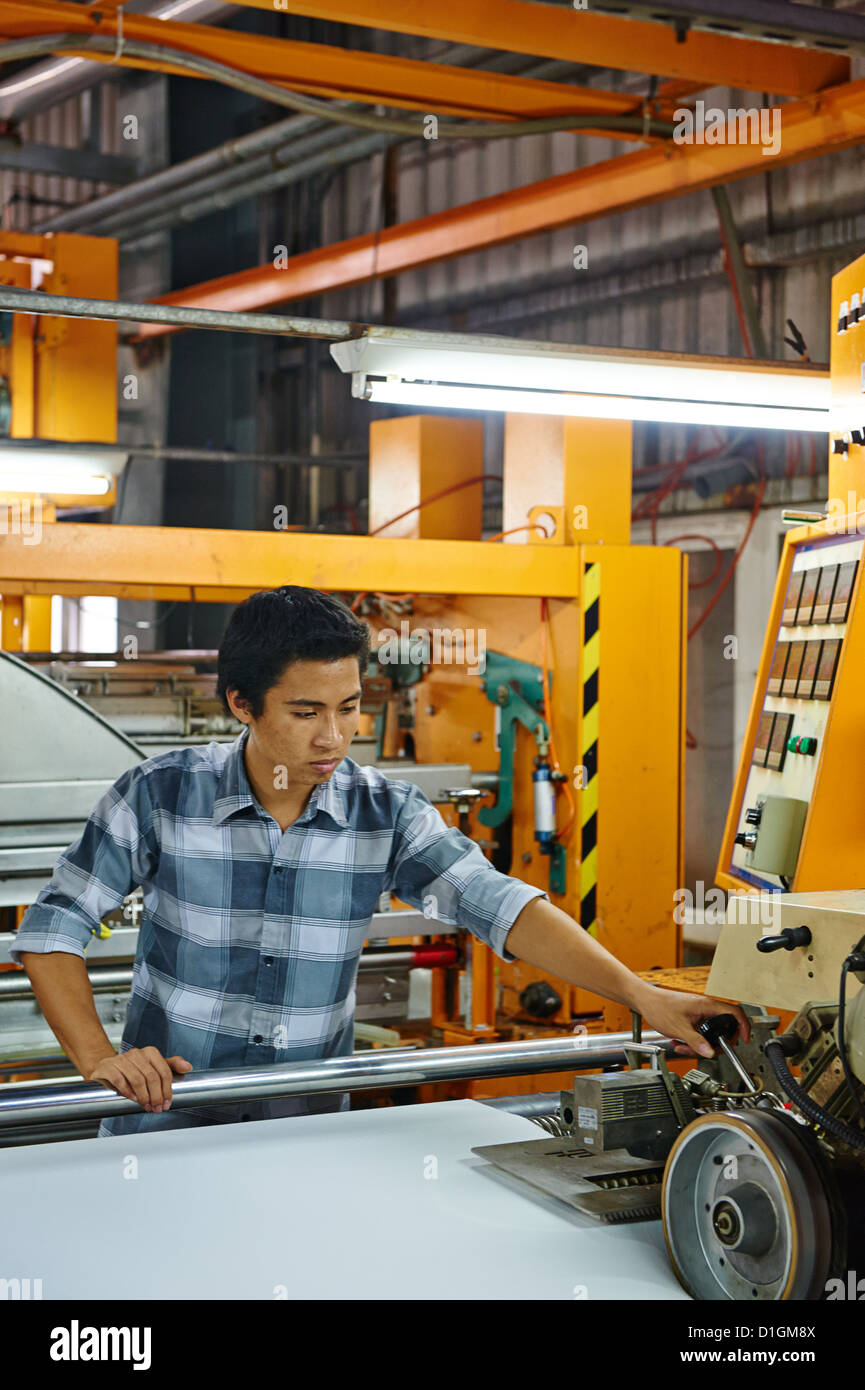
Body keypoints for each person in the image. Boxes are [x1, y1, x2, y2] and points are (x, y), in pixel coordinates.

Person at [13, 585, 749, 1137]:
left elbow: (498, 906)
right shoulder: (160, 795)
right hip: (163, 1126)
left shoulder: (383, 812)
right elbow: (51, 929)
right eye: (305, 713)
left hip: (305, 1134)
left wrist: (638, 995)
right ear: (241, 703)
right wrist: (98, 1057)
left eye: (348, 707)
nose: (334, 736)